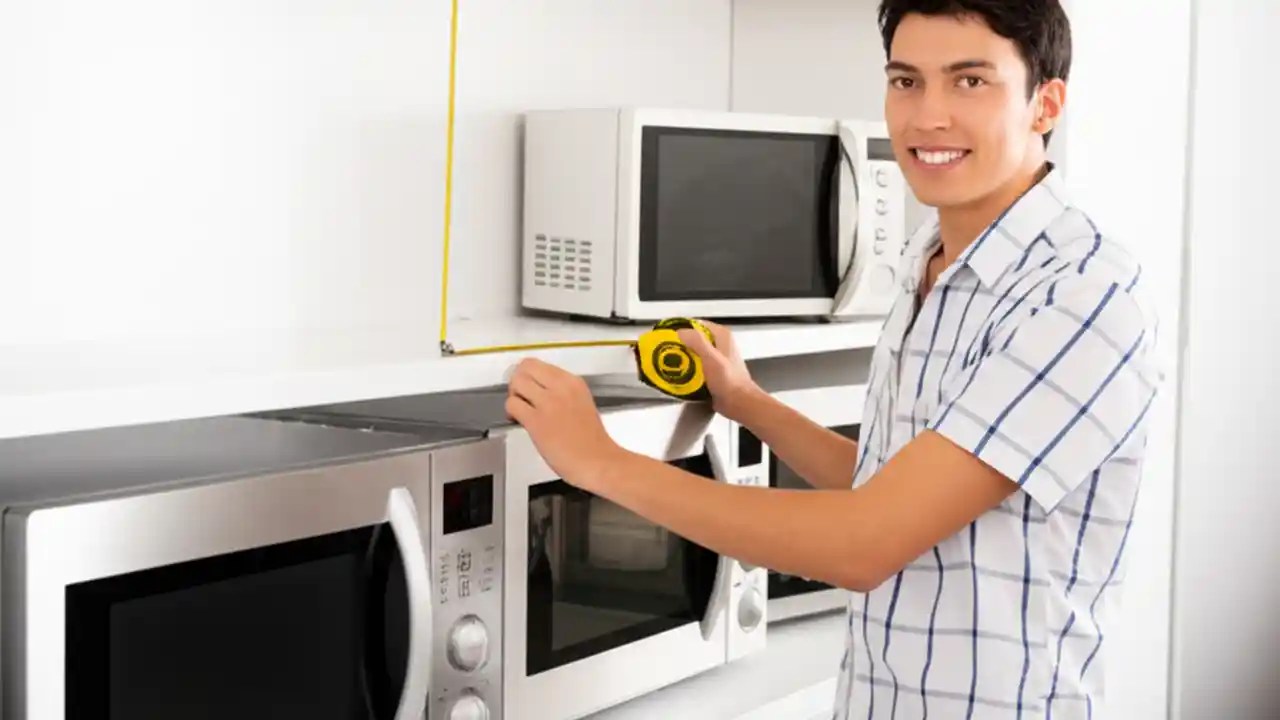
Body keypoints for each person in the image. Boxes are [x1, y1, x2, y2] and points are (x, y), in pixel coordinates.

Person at [503, 0, 1162, 717]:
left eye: (970, 82)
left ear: (1046, 104)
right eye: (906, 81)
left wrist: (601, 462)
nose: (927, 116)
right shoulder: (929, 263)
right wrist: (747, 402)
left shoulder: (1081, 294)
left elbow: (864, 542)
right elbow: (888, 484)